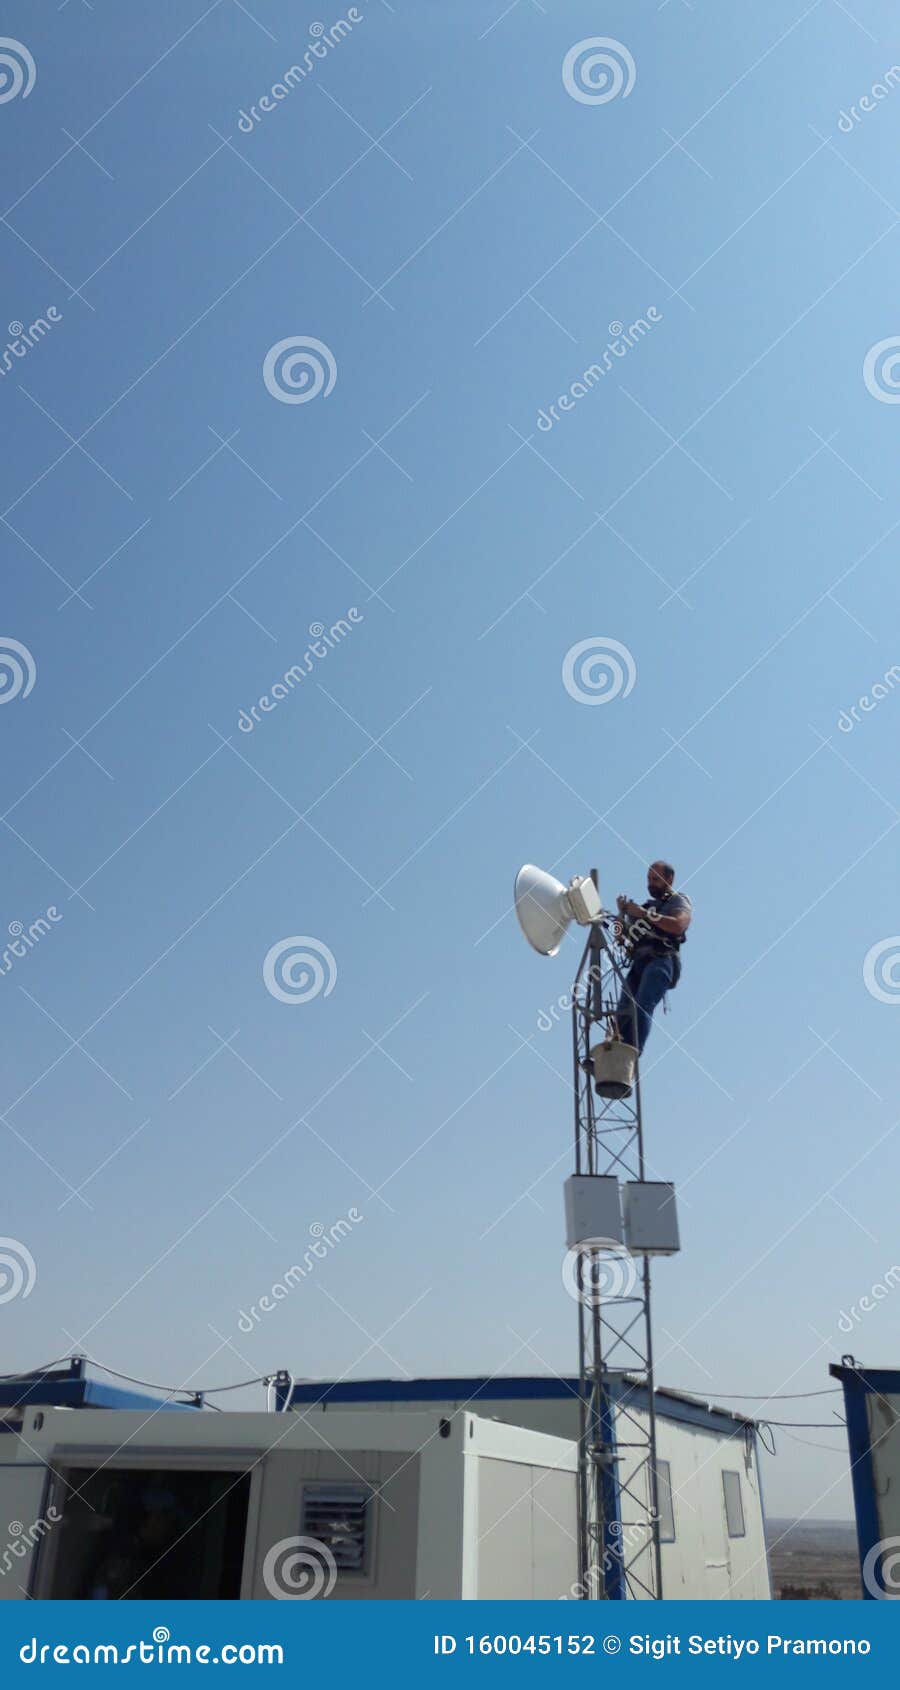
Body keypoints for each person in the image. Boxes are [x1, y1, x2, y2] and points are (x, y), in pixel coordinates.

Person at [613, 861, 692, 1055]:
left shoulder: (677, 901)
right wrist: (621, 916)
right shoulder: (647, 907)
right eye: (649, 879)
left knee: (642, 1005)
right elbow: (621, 937)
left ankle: (631, 1053)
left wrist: (643, 914)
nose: (651, 884)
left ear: (669, 879)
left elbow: (678, 925)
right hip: (640, 963)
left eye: (656, 879)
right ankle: (617, 1055)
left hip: (661, 959)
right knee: (623, 1011)